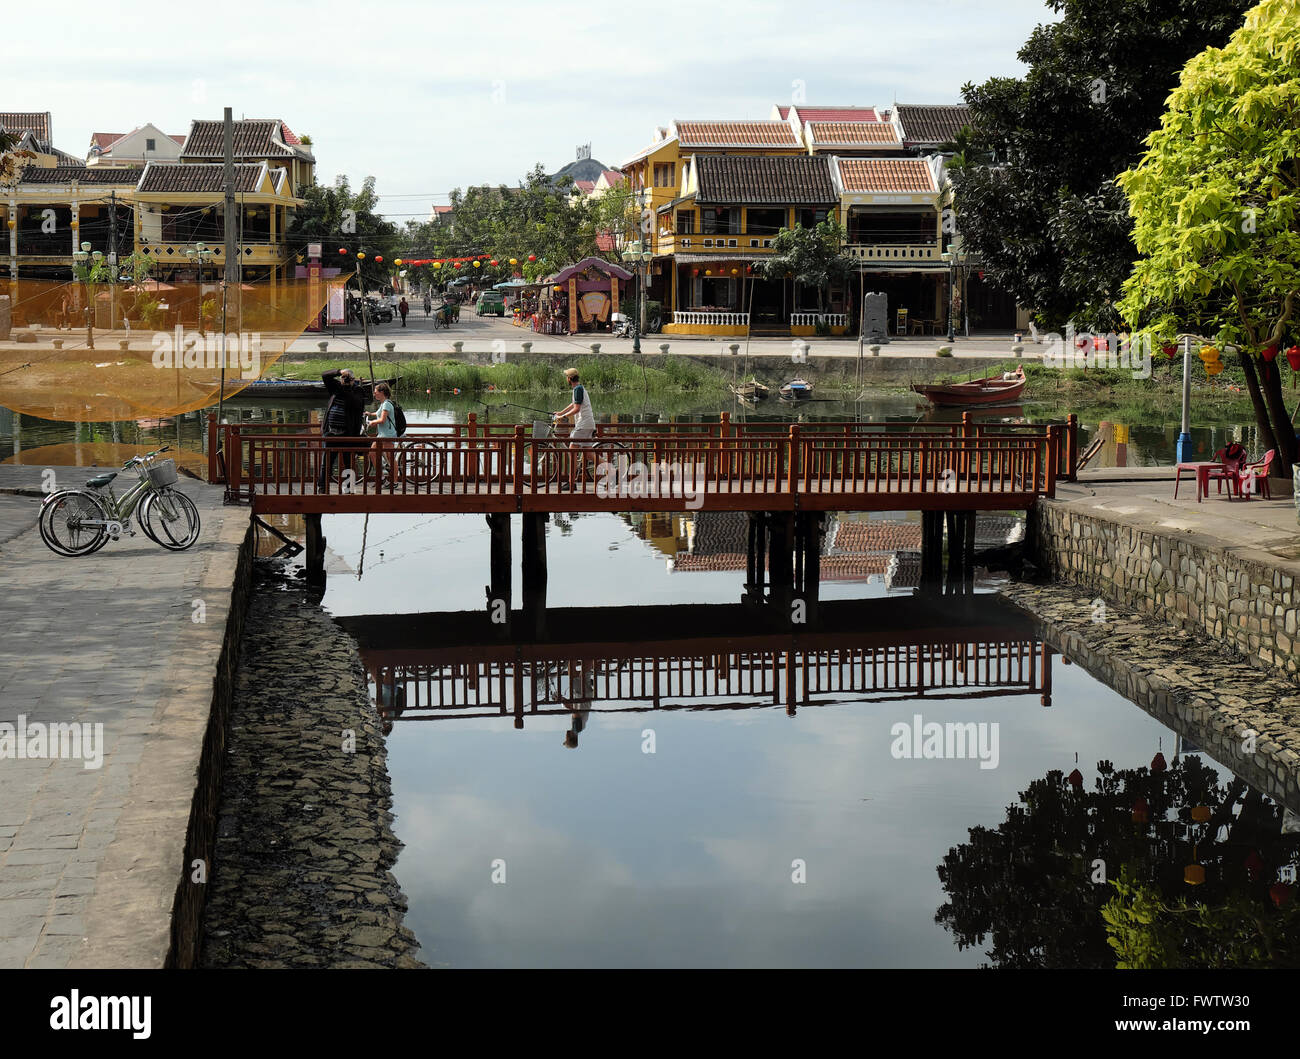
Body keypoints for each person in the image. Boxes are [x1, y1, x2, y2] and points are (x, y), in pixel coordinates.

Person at [318, 368, 368, 490]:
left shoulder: (358, 391)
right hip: (331, 432)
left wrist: (348, 385)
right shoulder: (336, 387)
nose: (343, 380)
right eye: (342, 378)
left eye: (346, 378)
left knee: (349, 463)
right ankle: (322, 488)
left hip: (348, 433)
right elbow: (324, 375)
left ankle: (349, 488)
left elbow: (354, 402)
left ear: (353, 380)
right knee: (327, 462)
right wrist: (339, 371)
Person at [552, 367, 596, 491]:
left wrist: (563, 417)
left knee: (572, 451)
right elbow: (574, 404)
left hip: (584, 424)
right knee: (588, 453)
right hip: (588, 424)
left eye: (567, 377)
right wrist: (560, 412)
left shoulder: (577, 389)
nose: (566, 379)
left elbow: (576, 409)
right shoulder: (578, 388)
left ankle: (572, 483)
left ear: (569, 379)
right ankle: (612, 471)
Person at [365, 381, 400, 487]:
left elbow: (382, 419)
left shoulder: (387, 404)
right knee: (372, 454)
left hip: (388, 435)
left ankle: (394, 482)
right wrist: (370, 414)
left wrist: (372, 422)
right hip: (381, 435)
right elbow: (378, 413)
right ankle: (382, 478)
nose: (374, 394)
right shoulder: (383, 404)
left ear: (382, 392)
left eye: (375, 392)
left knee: (390, 458)